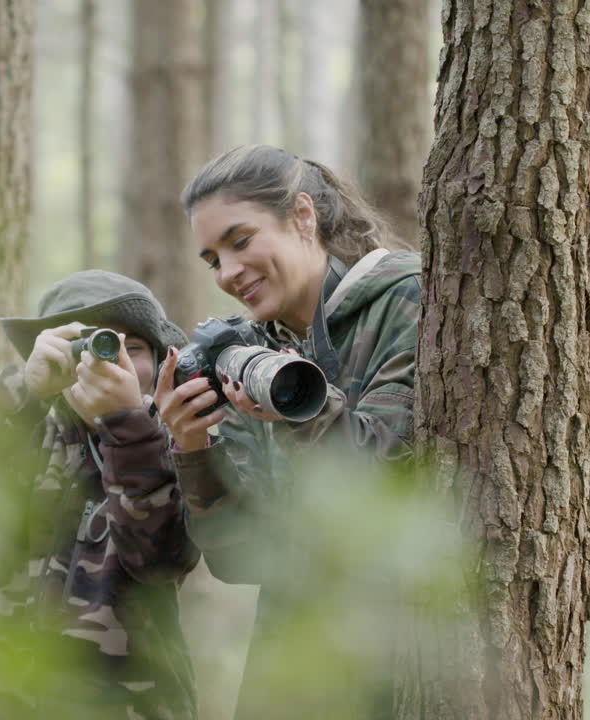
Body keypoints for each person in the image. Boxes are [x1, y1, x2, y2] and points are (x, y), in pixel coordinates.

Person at [153, 145, 425, 717]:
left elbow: (390, 486)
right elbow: (242, 559)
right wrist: (194, 448)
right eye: (212, 259)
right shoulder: (252, 357)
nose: (228, 273)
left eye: (240, 241)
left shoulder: (406, 299)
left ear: (303, 215)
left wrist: (301, 409)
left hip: (394, 667)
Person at [0, 270, 200, 719]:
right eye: (91, 344)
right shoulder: (24, 433)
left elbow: (161, 558)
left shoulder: (181, 441)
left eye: (133, 348)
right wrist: (23, 390)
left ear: (159, 363)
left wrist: (127, 426)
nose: (111, 359)